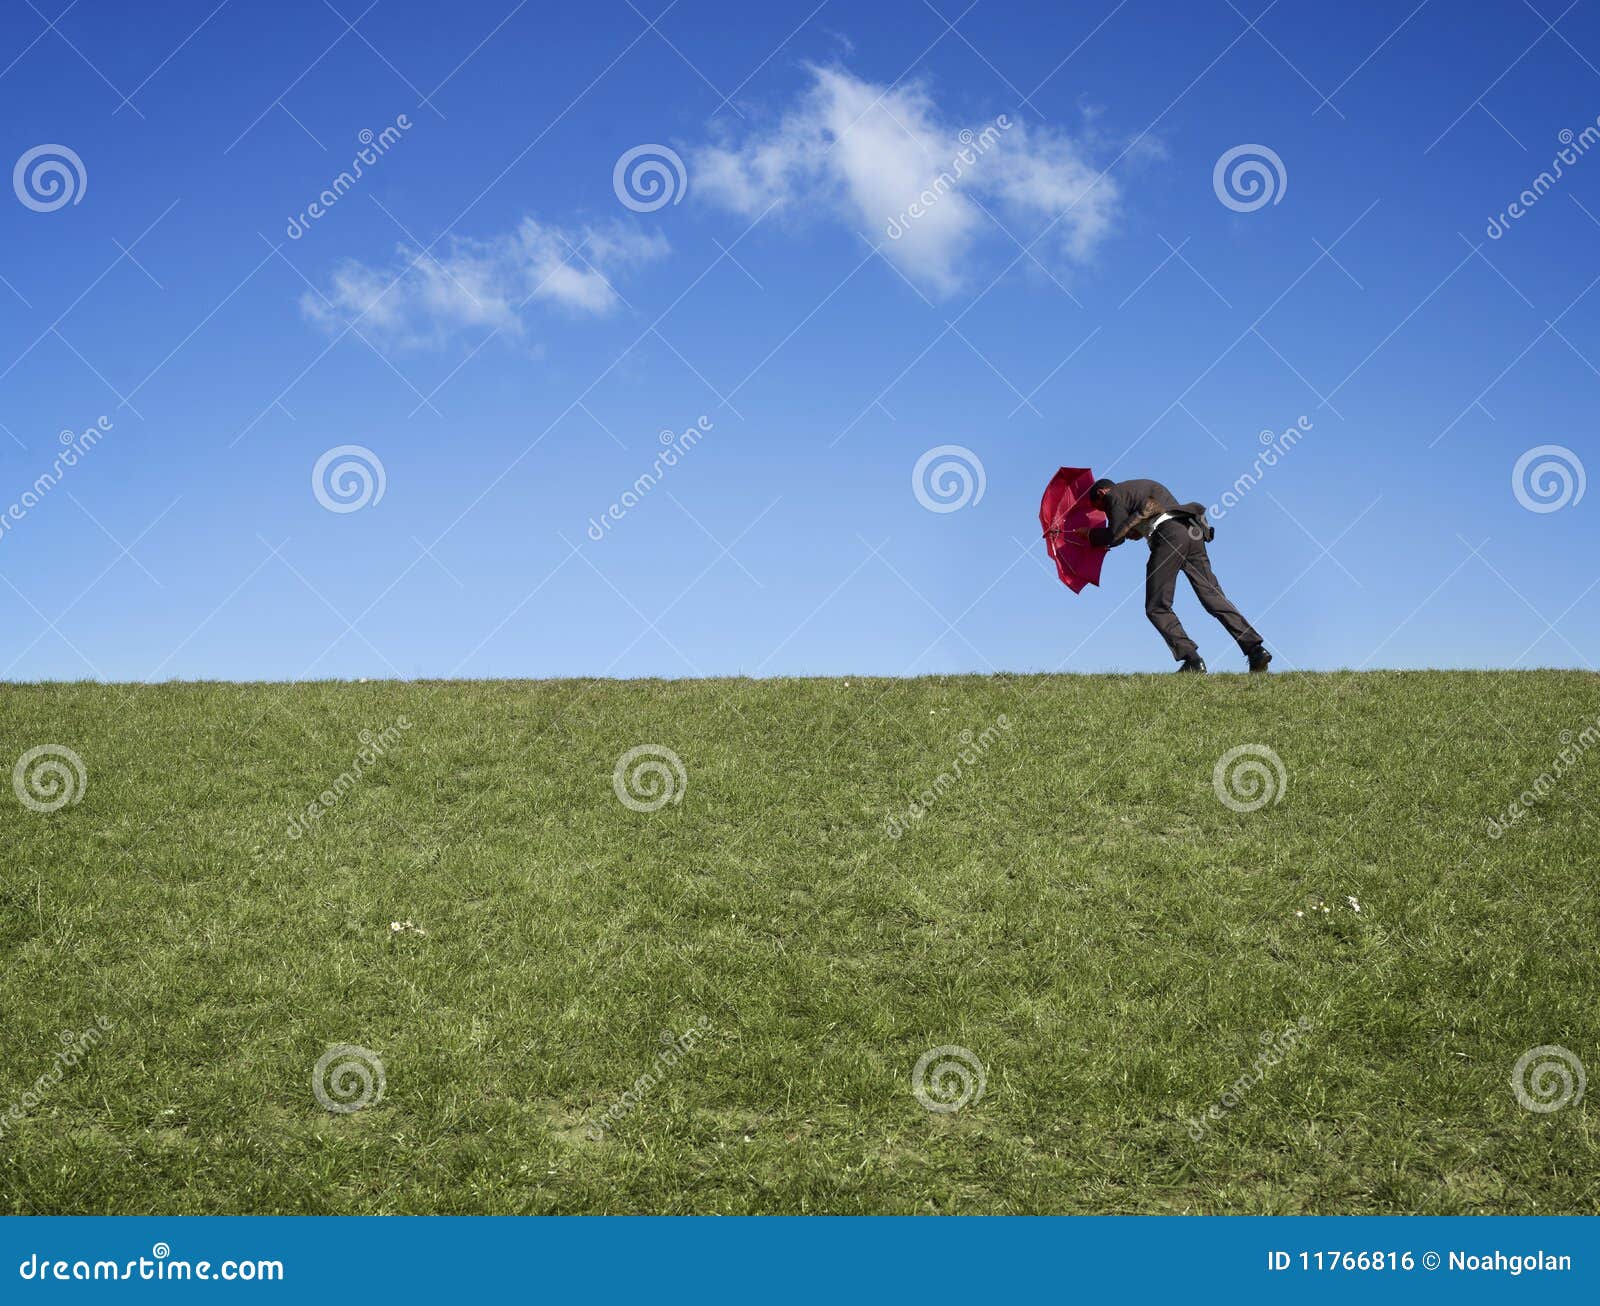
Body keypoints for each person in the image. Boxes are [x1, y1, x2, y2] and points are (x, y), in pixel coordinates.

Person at [1074, 477, 1271, 673]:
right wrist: (1132, 531)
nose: (1105, 512)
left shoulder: (1113, 495)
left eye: (1100, 508)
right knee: (1212, 596)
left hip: (1169, 537)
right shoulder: (1138, 487)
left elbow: (1114, 536)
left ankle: (1192, 660)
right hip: (1192, 532)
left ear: (1101, 493)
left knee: (1157, 607)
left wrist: (1090, 534)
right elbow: (1137, 522)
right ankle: (1255, 649)